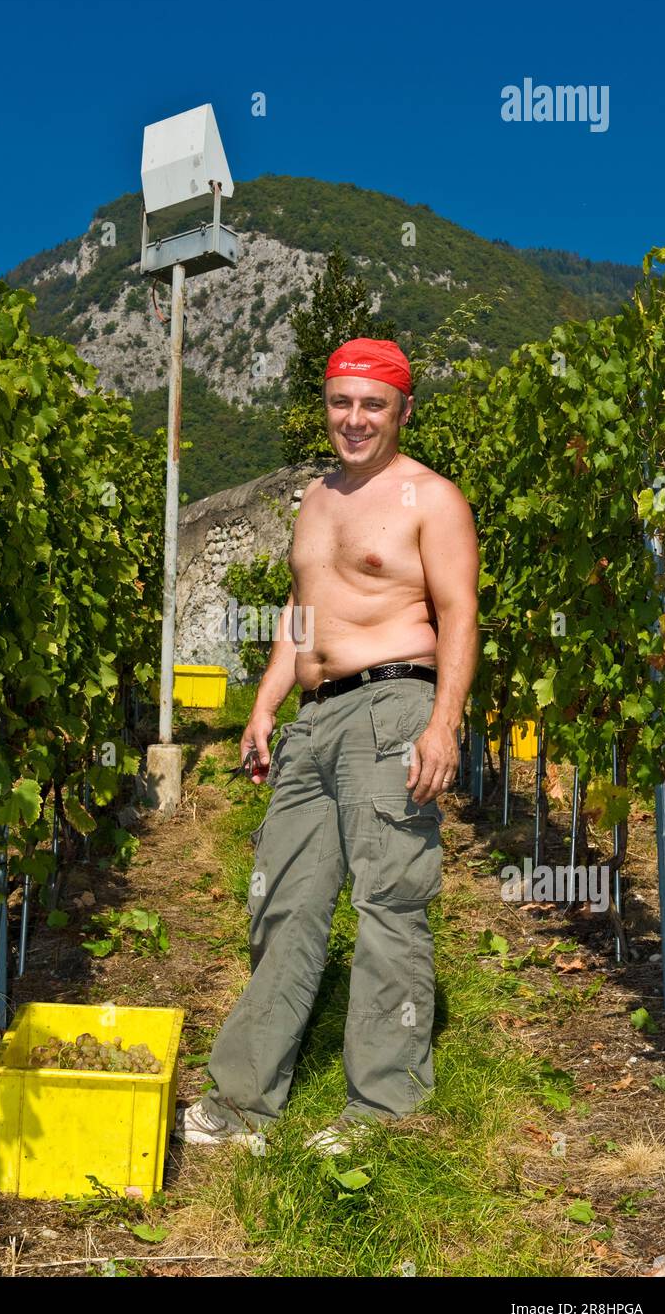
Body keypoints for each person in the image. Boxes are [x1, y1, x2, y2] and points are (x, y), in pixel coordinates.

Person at [174, 337, 480, 1156]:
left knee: (389, 904)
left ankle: (382, 1113)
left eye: (372, 405)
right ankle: (243, 1105)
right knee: (283, 899)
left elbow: (459, 615)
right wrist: (266, 706)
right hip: (315, 717)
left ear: (403, 410)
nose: (354, 419)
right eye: (342, 402)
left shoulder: (431, 498)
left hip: (392, 706)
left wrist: (443, 722)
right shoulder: (316, 498)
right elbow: (300, 613)